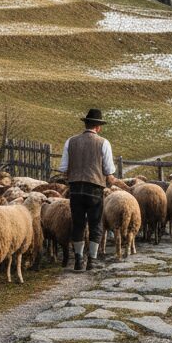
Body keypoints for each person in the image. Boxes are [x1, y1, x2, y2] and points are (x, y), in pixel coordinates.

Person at [57, 107, 116, 271]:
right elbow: (108, 170)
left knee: (78, 223)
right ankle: (92, 260)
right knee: (95, 223)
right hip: (94, 188)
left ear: (86, 124)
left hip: (75, 188)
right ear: (98, 127)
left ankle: (78, 260)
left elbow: (63, 168)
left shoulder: (71, 141)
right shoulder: (103, 143)